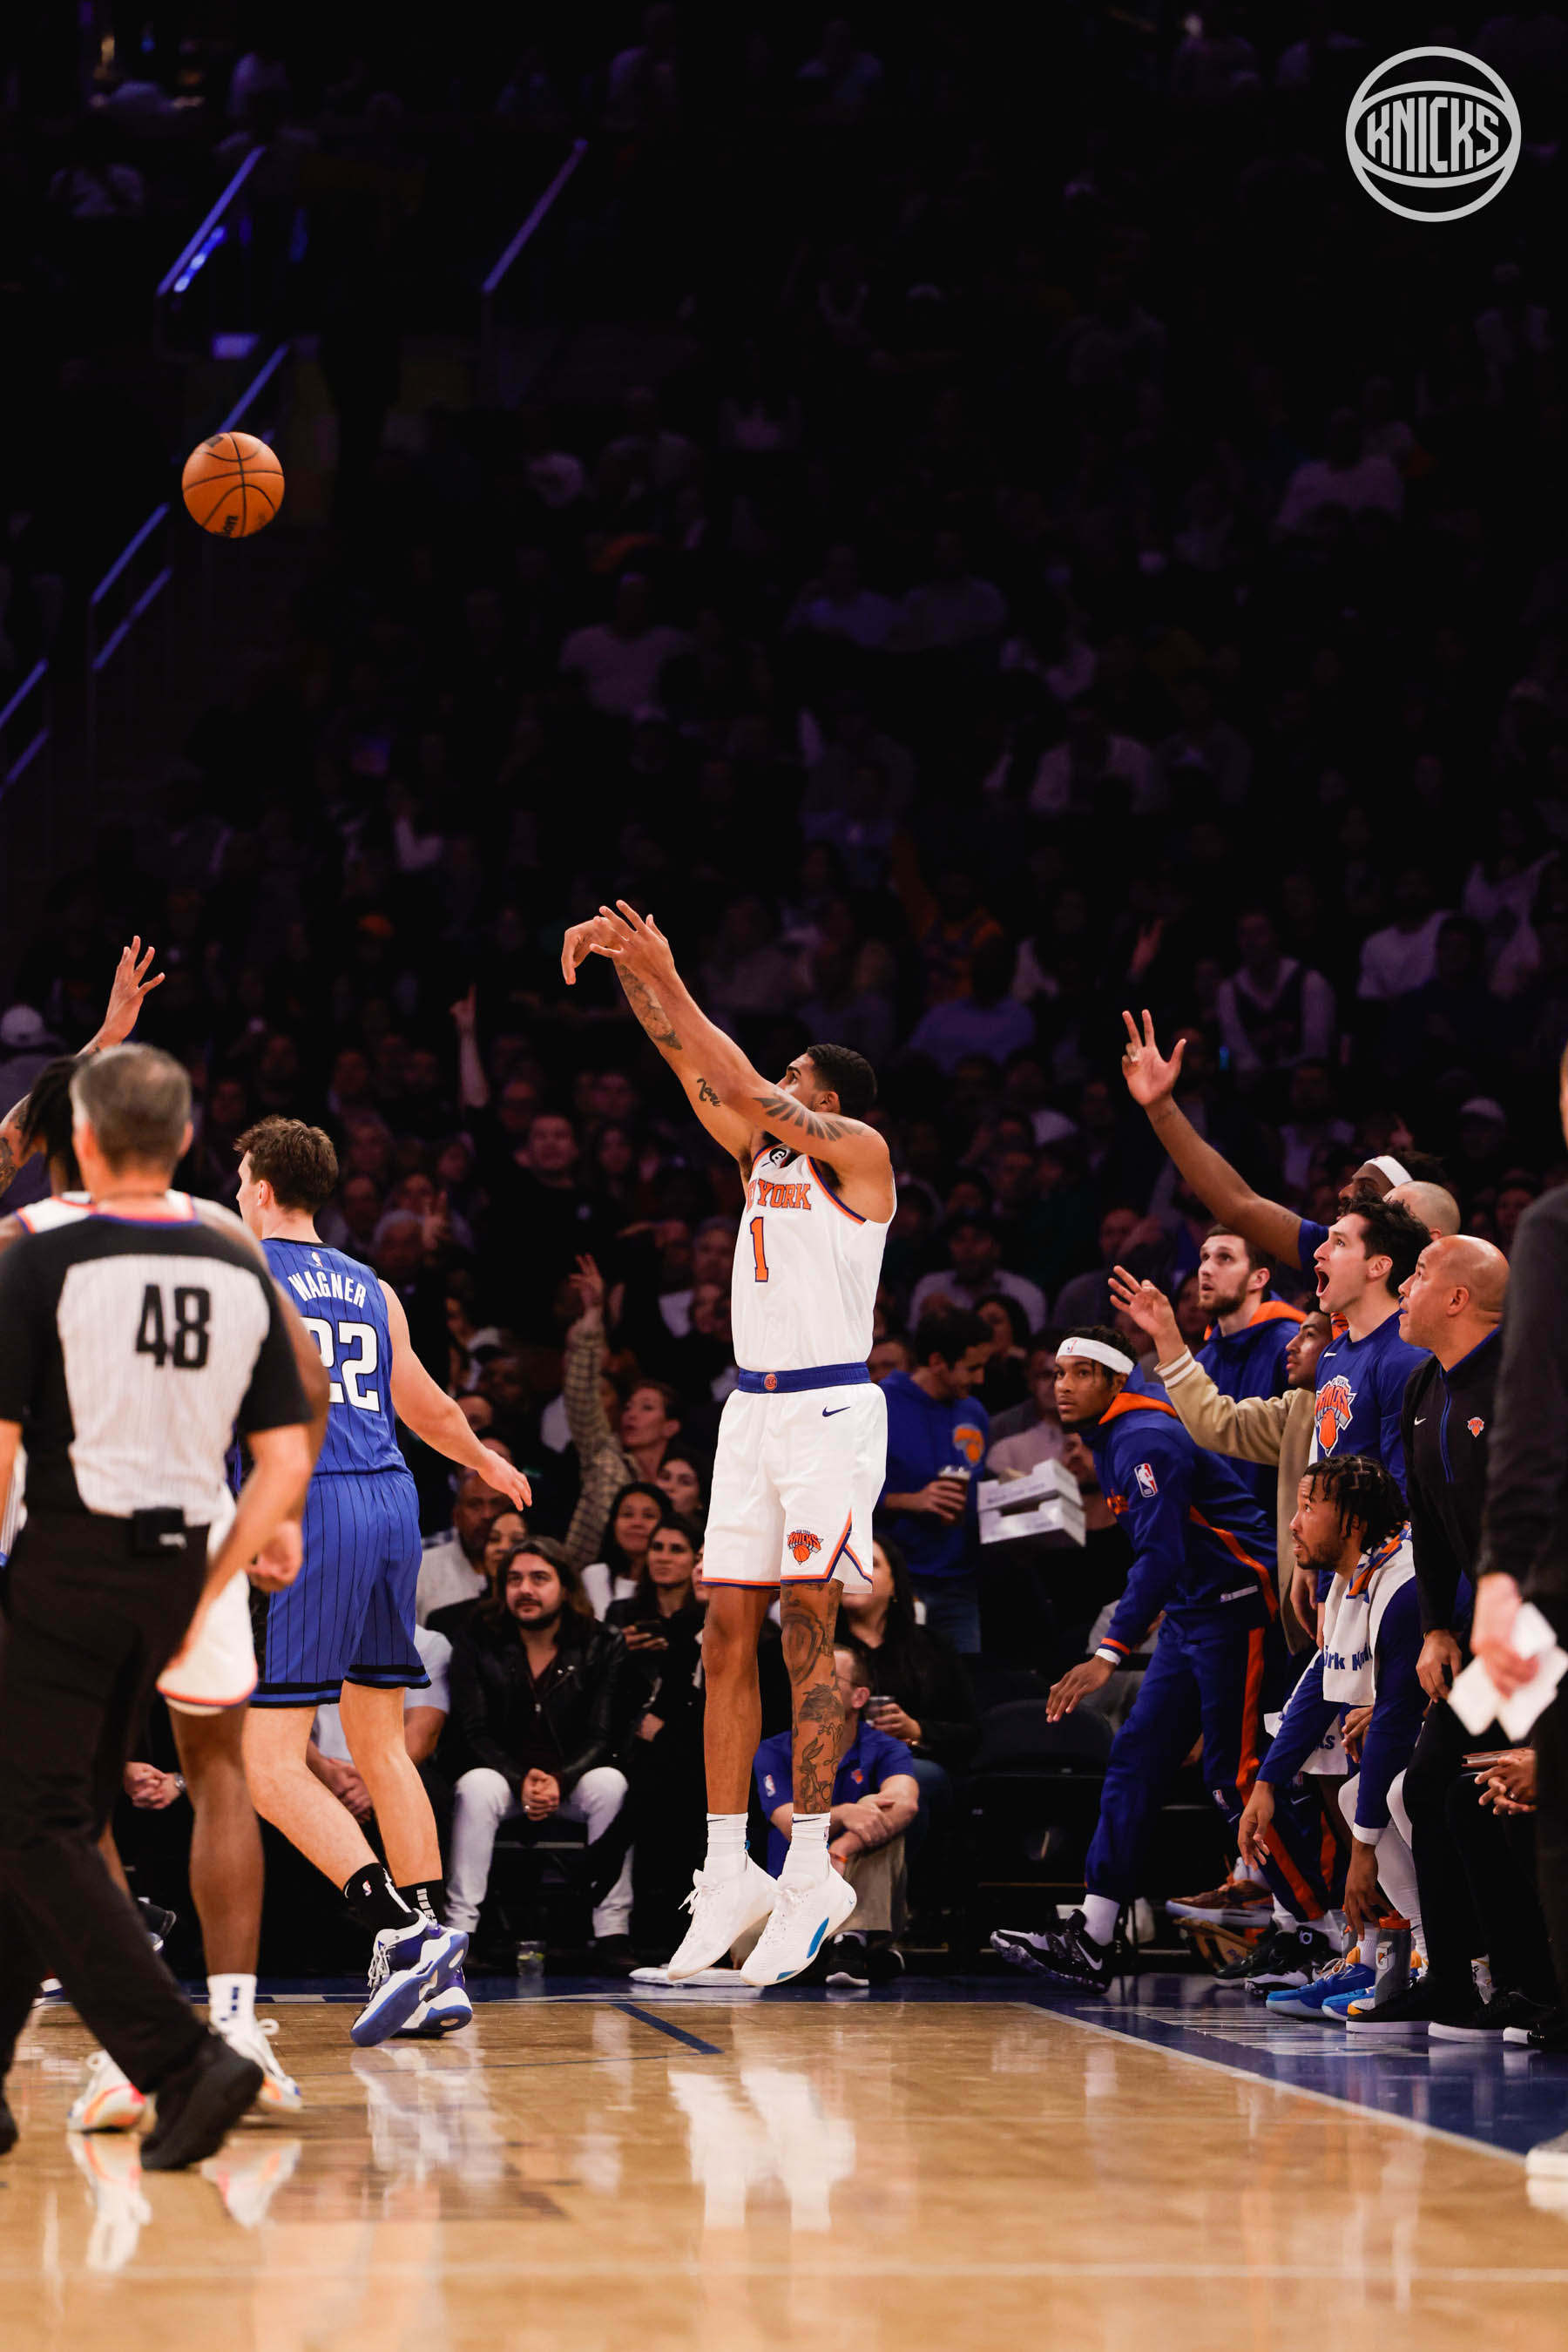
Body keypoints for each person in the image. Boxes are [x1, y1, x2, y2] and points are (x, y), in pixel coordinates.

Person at [561, 900, 895, 1990]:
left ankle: (808, 1869)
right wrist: (629, 974)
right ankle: (727, 1876)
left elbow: (740, 1080)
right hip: (750, 1410)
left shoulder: (864, 1159)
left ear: (826, 1100)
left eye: (796, 1078)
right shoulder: (761, 1157)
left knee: (809, 1631)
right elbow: (690, 1067)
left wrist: (672, 964)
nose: (774, 1088)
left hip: (832, 1412)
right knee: (720, 1639)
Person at [0, 1046, 321, 2169]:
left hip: (68, 1560)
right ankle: (225, 2014)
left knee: (45, 1823)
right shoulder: (234, 1248)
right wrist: (249, 1543)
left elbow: (0, 1444)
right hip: (194, 1561)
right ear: (188, 1143)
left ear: (78, 1144)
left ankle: (174, 2056)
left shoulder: (34, 1249)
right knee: (118, 1796)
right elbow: (303, 1401)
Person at [234, 1117, 530, 2044]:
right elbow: (428, 1405)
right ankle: (441, 1961)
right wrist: (484, 1460)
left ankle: (398, 1934)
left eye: (241, 1179)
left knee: (265, 1762)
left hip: (311, 1501)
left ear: (263, 1188)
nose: (235, 1193)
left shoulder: (245, 1272)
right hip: (393, 1499)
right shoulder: (371, 1285)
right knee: (381, 1743)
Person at [990, 1327, 1328, 1994]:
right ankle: (1093, 1932)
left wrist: (1107, 1655)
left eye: (1083, 1372)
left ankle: (1318, 1933)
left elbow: (1161, 1554)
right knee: (1135, 1756)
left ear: (1117, 1382)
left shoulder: (1147, 1439)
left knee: (1238, 1778)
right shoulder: (1112, 1438)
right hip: (1188, 1613)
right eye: (1059, 1372)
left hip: (1236, 1604)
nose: (1064, 1385)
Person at [1365, 1235, 1543, 2034]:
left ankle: (1535, 1985)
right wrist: (1439, 1626)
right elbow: (1431, 1531)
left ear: (1460, 1299)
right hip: (1495, 1635)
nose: (1405, 1285)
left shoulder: (1527, 1382)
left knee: (1514, 1788)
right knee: (1433, 1784)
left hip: (1547, 1629)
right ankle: (1466, 1984)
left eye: (1421, 1276)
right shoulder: (1423, 1390)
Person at [1463, 1045, 1568, 2136]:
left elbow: (1531, 1441)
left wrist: (1499, 1586)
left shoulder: (1552, 1230)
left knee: (1552, 1805)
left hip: (1544, 1585)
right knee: (1462, 1763)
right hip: (1510, 1604)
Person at [1237, 1458, 1427, 2020]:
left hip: (1501, 1731)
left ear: (1350, 1522)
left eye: (1307, 1508)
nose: (1292, 1523)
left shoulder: (1405, 1583)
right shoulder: (1356, 1571)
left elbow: (1394, 1719)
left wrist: (1362, 1854)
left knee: (1397, 1794)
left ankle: (1470, 1965)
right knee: (1356, 1795)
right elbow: (1323, 1679)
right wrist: (1268, 1782)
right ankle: (1408, 1959)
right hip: (1435, 1726)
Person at [1118, 1008, 1460, 1281]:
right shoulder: (1326, 1249)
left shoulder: (1443, 1305)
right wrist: (1161, 1107)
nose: (1343, 1193)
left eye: (1366, 1188)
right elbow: (1237, 1205)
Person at [1110, 1270, 1333, 1645]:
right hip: (1295, 1587)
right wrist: (1165, 1333)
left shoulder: (1386, 1373)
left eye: (1308, 1335)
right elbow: (1218, 1422)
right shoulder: (1300, 1406)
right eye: (1203, 1258)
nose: (1292, 1346)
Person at [444, 1538, 633, 1952]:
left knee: (610, 1784)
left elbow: (602, 1735)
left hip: (570, 1779)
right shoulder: (477, 1639)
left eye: (539, 1578)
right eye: (514, 1579)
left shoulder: (602, 1642)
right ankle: (462, 1930)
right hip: (505, 1781)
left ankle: (612, 1930)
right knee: (476, 1785)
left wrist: (559, 1781)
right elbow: (473, 1731)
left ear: (566, 1587)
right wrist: (520, 1780)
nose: (525, 1589)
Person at [750, 1638, 919, 1985]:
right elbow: (787, 1822)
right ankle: (858, 1951)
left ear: (859, 1697)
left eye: (827, 1678)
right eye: (804, 1678)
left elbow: (905, 1802)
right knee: (745, 1946)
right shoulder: (773, 1750)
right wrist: (845, 1813)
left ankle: (850, 1942)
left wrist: (843, 1847)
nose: (811, 1687)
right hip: (792, 1892)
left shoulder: (884, 1747)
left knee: (884, 1825)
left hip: (859, 1888)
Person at [836, 1538, 978, 1909]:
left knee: (909, 1784)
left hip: (911, 1766)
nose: (856, 1572)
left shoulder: (932, 1648)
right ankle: (877, 1923)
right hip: (831, 1765)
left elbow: (970, 1731)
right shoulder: (814, 1646)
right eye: (847, 1564)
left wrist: (915, 1731)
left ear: (895, 1583)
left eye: (871, 1563)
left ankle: (864, 1915)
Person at [876, 1310, 991, 1652]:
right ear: (938, 1361)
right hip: (897, 1581)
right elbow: (842, 1491)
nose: (981, 1379)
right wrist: (907, 1500)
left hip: (960, 1583)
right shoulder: (879, 1404)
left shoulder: (974, 1412)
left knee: (962, 1685)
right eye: (972, 1368)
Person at [1302, 1196, 1431, 1495]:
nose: (1319, 1253)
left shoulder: (1406, 1357)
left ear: (1378, 1266)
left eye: (1340, 1243)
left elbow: (1402, 1492)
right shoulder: (1331, 1354)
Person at [562, 1254, 683, 1568]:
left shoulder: (682, 1481)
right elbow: (580, 1396)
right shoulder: (606, 1458)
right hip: (590, 1585)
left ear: (670, 1426)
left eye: (647, 1408)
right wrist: (593, 1315)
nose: (632, 1415)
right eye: (628, 1407)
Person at [1191, 1227, 1303, 1509]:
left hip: (1278, 1537)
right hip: (1218, 1538)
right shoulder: (1202, 1361)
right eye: (1205, 1257)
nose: (1206, 1269)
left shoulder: (1292, 1345)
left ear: (1259, 1277)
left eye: (1224, 1258)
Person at [415, 1467, 511, 1625]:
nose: (487, 1515)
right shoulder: (422, 1568)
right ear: (456, 1516)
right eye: (475, 1504)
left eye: (496, 1503)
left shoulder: (528, 1567)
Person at [581, 1479, 670, 1619]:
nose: (637, 1523)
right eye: (627, 1514)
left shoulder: (670, 1582)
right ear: (613, 1523)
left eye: (649, 1516)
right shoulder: (593, 1576)